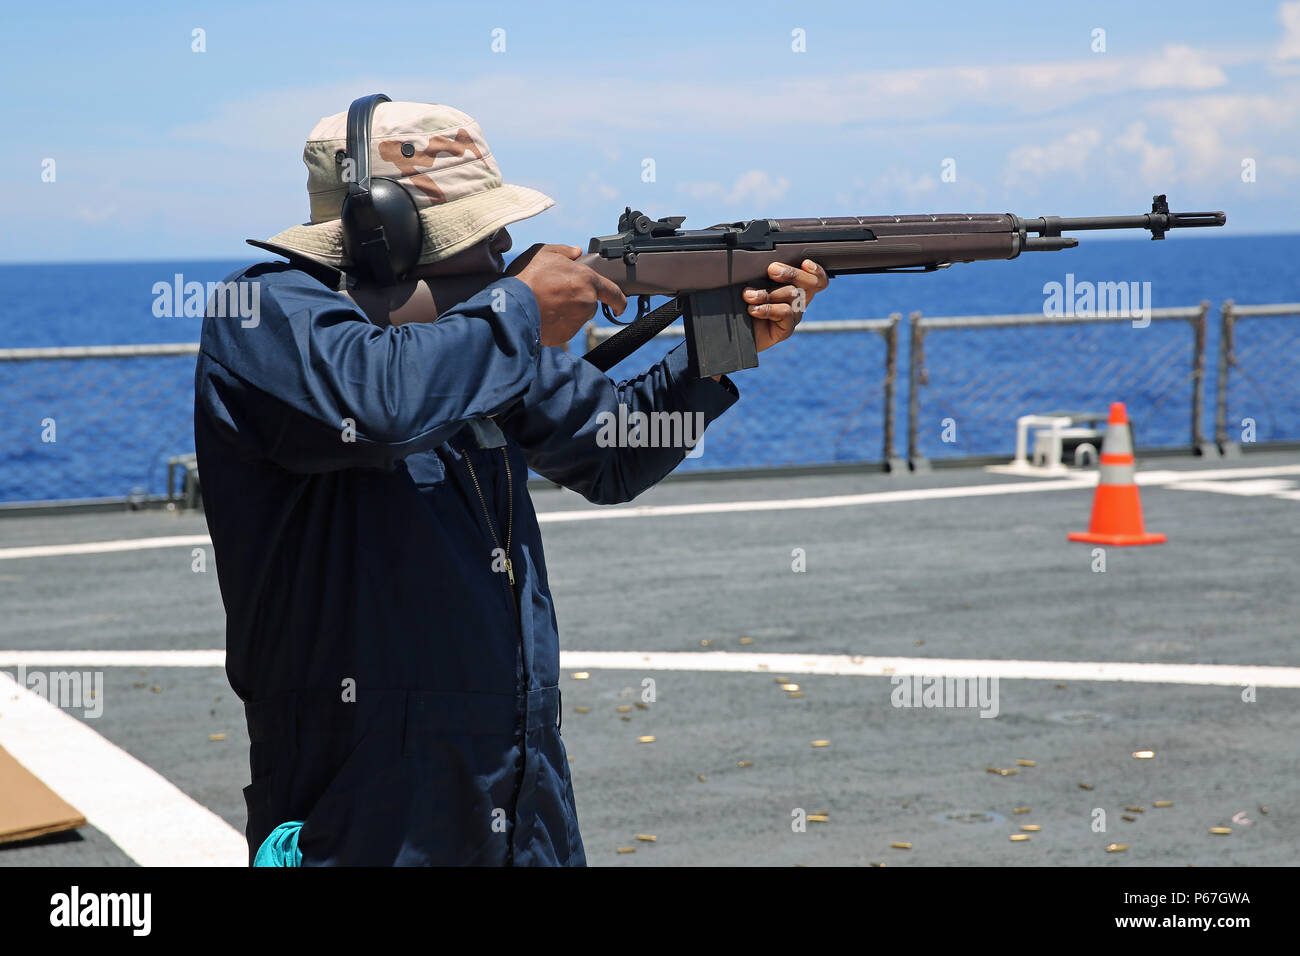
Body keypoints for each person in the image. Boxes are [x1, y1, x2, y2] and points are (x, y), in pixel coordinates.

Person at [194, 98, 829, 866]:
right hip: (362, 810)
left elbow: (614, 452)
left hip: (519, 793)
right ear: (380, 227)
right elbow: (384, 406)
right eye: (476, 228)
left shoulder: (472, 341)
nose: (502, 246)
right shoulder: (264, 311)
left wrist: (720, 351)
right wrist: (519, 308)